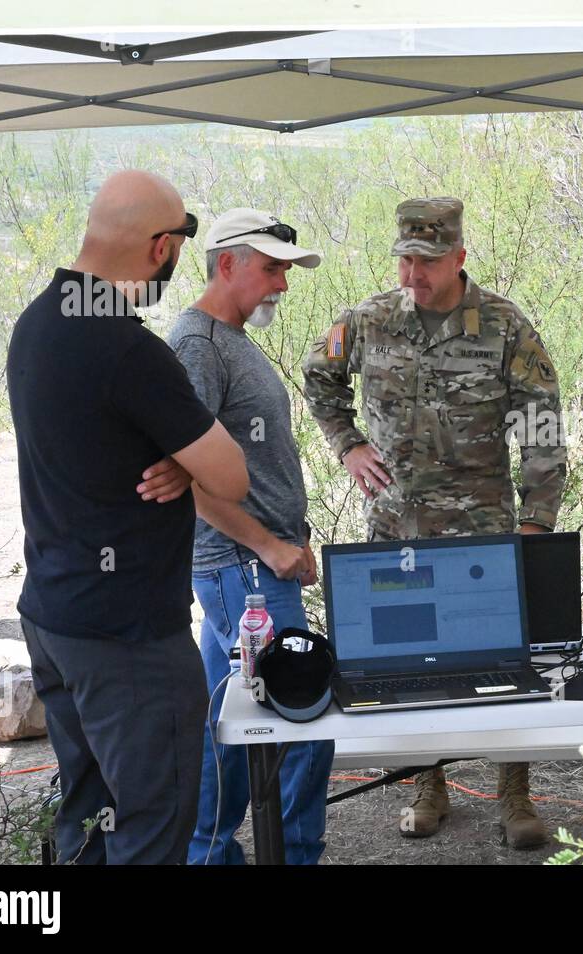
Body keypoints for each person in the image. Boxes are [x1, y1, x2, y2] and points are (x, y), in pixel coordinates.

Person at [302, 196, 567, 849]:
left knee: (505, 657)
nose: (414, 275)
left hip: (483, 527)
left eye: (427, 262)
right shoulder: (368, 322)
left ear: (459, 258)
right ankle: (429, 783)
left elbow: (542, 426)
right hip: (398, 530)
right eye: (405, 260)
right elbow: (318, 379)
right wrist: (349, 443)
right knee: (405, 660)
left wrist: (536, 524)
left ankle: (514, 794)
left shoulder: (503, 326)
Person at [7, 170, 249, 864]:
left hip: (56, 617)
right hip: (128, 637)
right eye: (177, 247)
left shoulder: (38, 323)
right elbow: (230, 474)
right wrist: (191, 457)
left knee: (88, 819)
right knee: (151, 825)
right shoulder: (127, 349)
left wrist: (173, 456)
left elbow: (93, 442)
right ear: (159, 247)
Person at [167, 208, 334, 865]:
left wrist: (288, 537)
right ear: (227, 263)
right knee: (304, 723)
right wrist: (268, 545)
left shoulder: (228, 338)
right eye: (271, 270)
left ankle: (209, 854)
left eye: (286, 272)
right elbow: (184, 473)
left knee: (226, 727)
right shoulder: (198, 345)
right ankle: (292, 857)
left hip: (251, 566)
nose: (282, 286)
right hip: (244, 568)